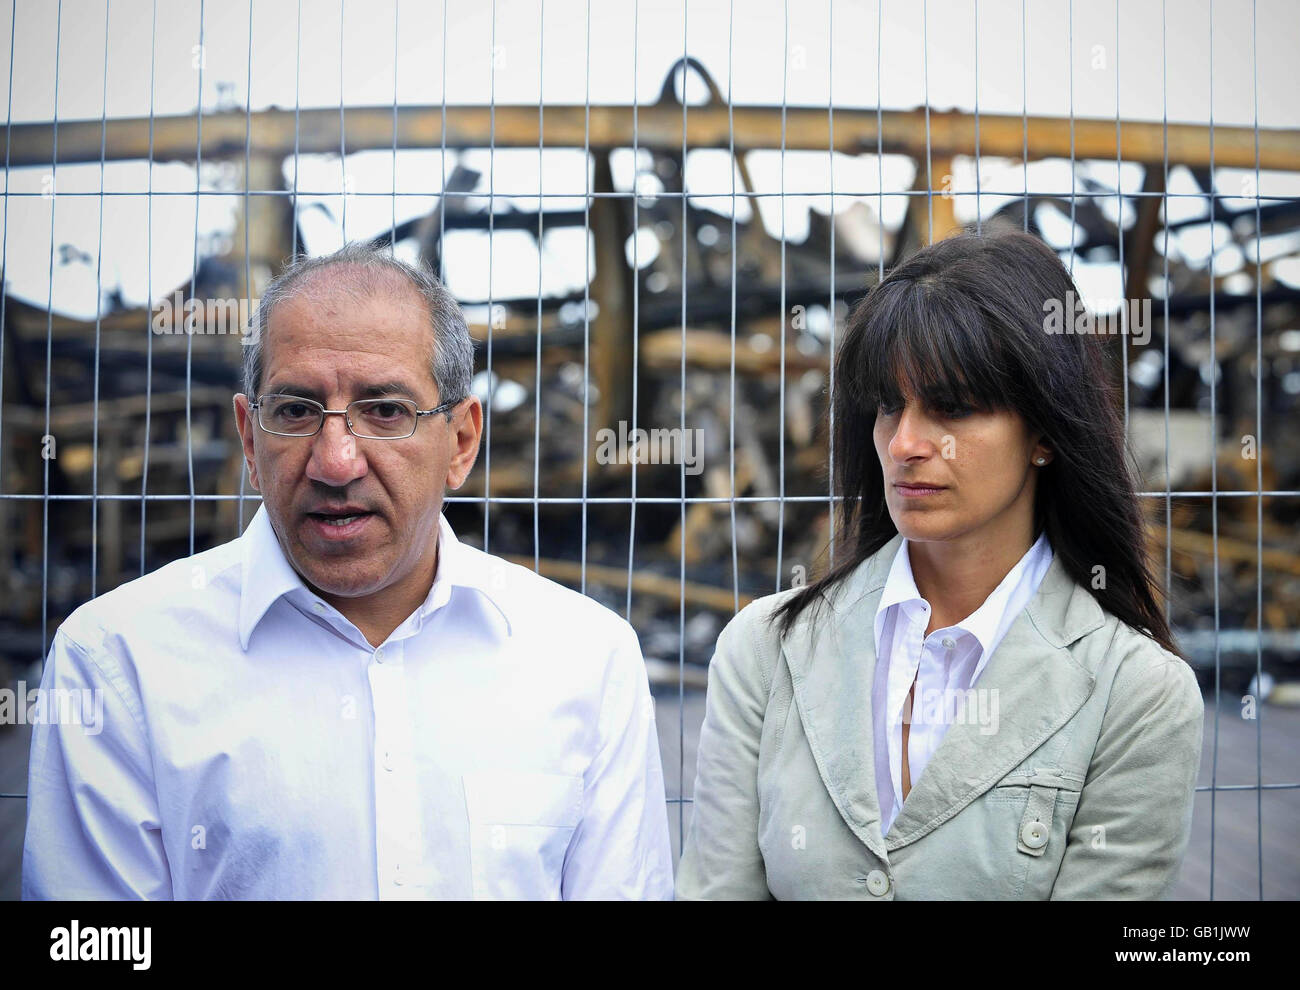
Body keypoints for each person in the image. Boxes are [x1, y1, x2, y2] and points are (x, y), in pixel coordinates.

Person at [23, 242, 673, 900]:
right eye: (297, 412)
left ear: (461, 442)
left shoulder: (586, 661)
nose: (337, 462)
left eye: (386, 411)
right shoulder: (119, 663)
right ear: (251, 439)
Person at [676, 230, 1204, 900]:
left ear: (1044, 432)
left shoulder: (1137, 694)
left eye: (951, 406)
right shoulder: (764, 651)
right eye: (889, 405)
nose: (904, 443)